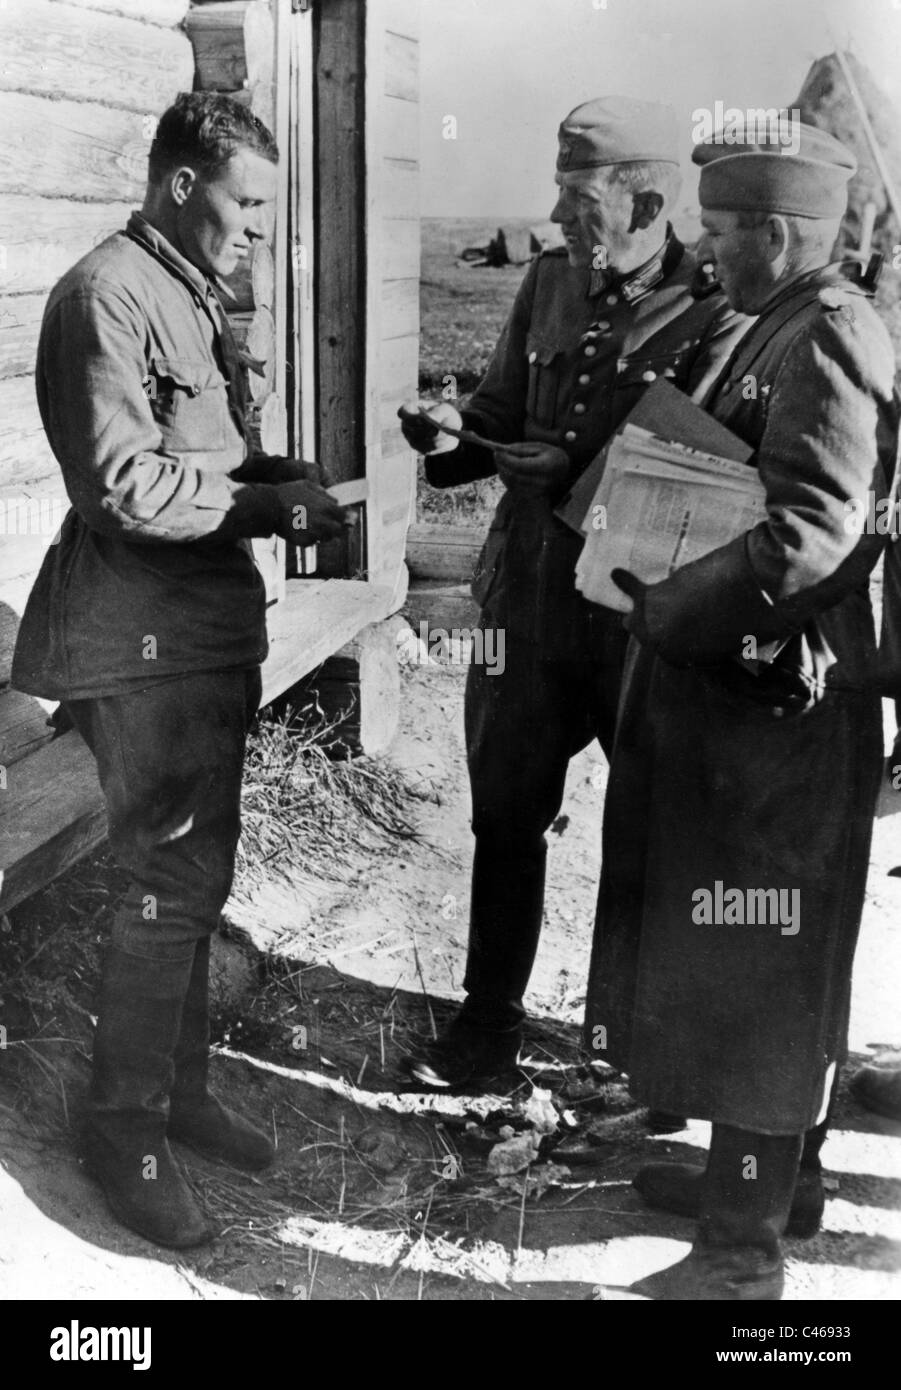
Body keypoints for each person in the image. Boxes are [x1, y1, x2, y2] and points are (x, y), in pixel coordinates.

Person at [11, 93, 348, 1247]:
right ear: (177, 185)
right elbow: (118, 485)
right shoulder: (105, 295)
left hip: (200, 638)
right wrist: (256, 502)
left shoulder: (184, 290)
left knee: (193, 881)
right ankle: (124, 1131)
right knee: (162, 889)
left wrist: (271, 468)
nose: (258, 227)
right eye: (245, 202)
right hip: (139, 649)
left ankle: (180, 1091)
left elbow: (187, 455)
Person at [585, 122, 899, 1300]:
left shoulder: (824, 334)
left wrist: (673, 607)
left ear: (774, 233)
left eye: (720, 233)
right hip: (743, 701)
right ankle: (772, 1184)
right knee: (741, 952)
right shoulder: (768, 320)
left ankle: (737, 1261)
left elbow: (810, 528)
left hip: (780, 712)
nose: (705, 250)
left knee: (766, 967)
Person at [399, 96, 750, 1089]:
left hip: (636, 613)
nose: (555, 214)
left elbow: (712, 469)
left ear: (644, 201)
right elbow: (500, 408)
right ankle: (484, 1029)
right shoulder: (549, 280)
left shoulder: (719, 305)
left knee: (646, 827)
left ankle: (627, 1051)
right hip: (526, 600)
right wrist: (451, 428)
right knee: (503, 810)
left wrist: (575, 467)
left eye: (574, 194)